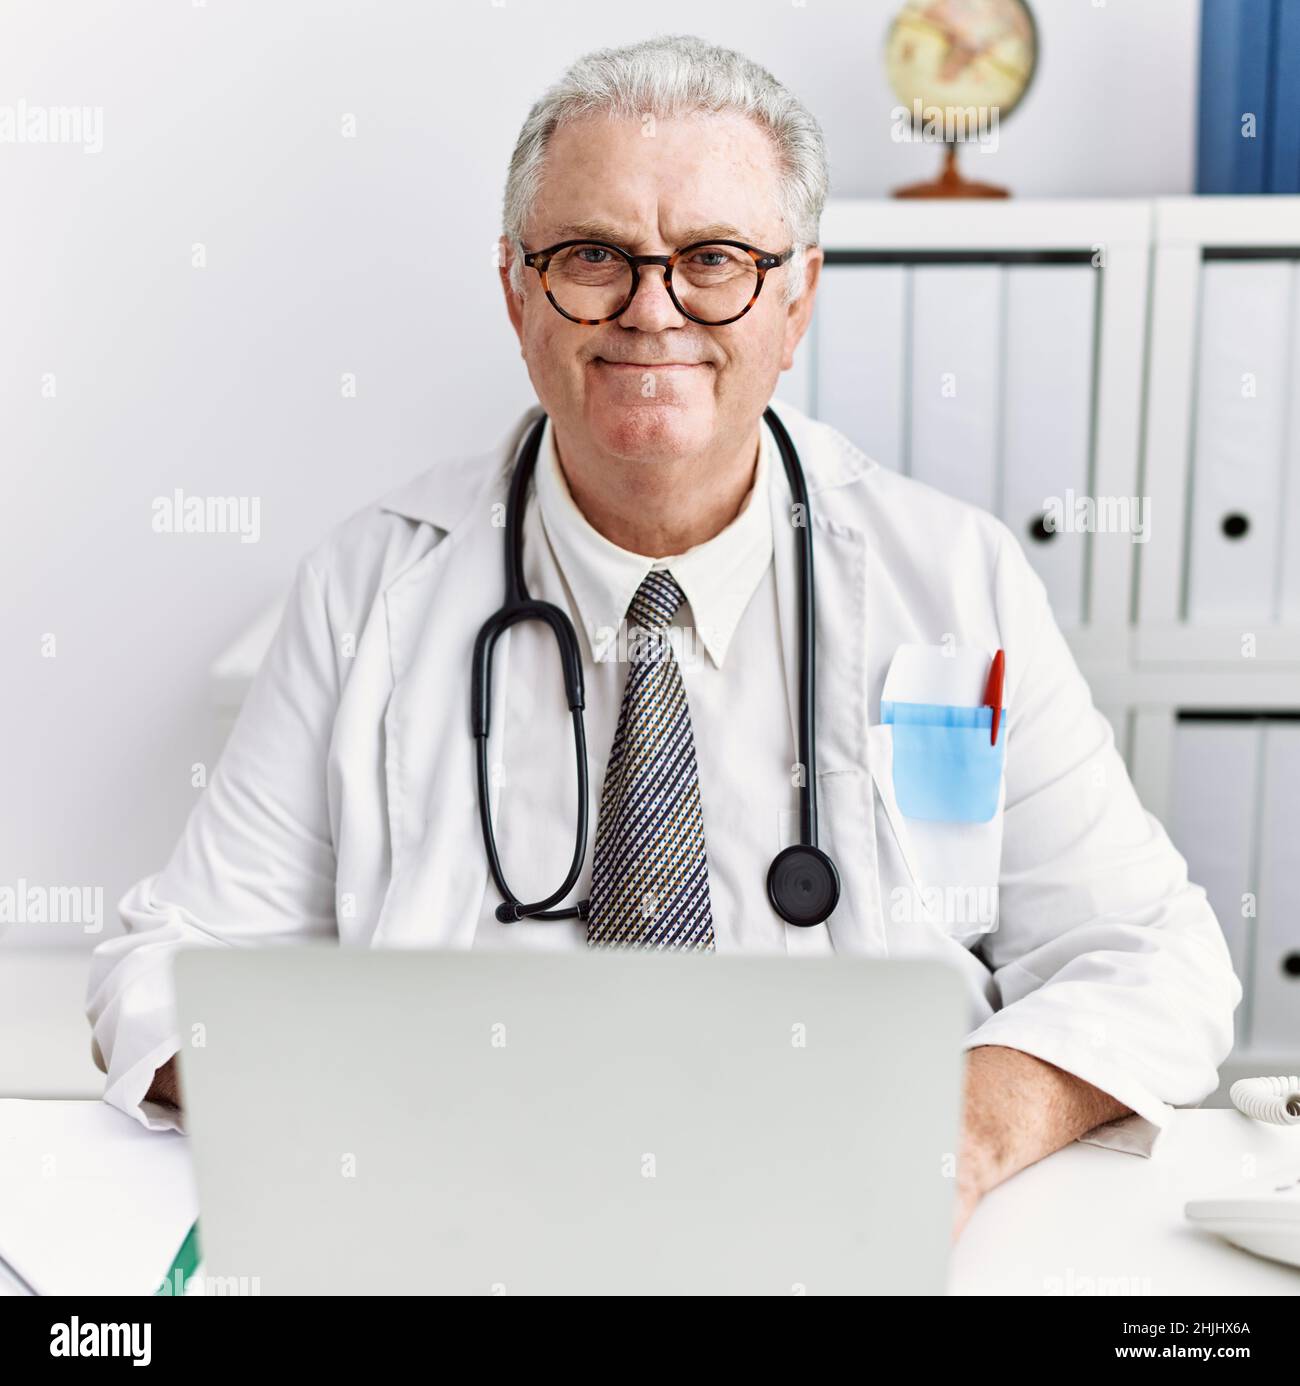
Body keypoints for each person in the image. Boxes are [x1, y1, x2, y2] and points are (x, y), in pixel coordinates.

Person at [87, 34, 1239, 1239]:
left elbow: (1154, 958)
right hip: (466, 1228)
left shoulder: (952, 581)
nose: (652, 308)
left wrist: (951, 1135)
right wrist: (368, 1112)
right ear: (516, 294)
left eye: (714, 260)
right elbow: (165, 966)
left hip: (833, 1228)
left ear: (795, 301)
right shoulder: (369, 589)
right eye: (593, 256)